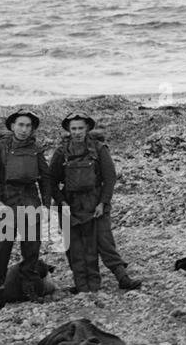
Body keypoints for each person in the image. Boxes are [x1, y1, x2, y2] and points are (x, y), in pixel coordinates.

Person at [50, 113, 140, 292]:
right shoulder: (61, 152)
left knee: (104, 242)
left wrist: (103, 203)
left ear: (88, 128)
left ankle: (123, 278)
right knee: (74, 247)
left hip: (95, 202)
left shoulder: (99, 149)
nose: (77, 132)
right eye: (73, 128)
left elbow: (110, 177)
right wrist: (61, 202)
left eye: (80, 128)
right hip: (71, 205)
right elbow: (51, 181)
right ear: (68, 129)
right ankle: (84, 286)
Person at [0, 109, 52, 302]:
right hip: (7, 202)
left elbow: (45, 179)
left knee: (31, 249)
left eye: (28, 126)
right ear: (12, 126)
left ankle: (29, 287)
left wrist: (46, 205)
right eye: (20, 125)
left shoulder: (36, 149)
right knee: (2, 249)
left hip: (30, 201)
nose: (24, 129)